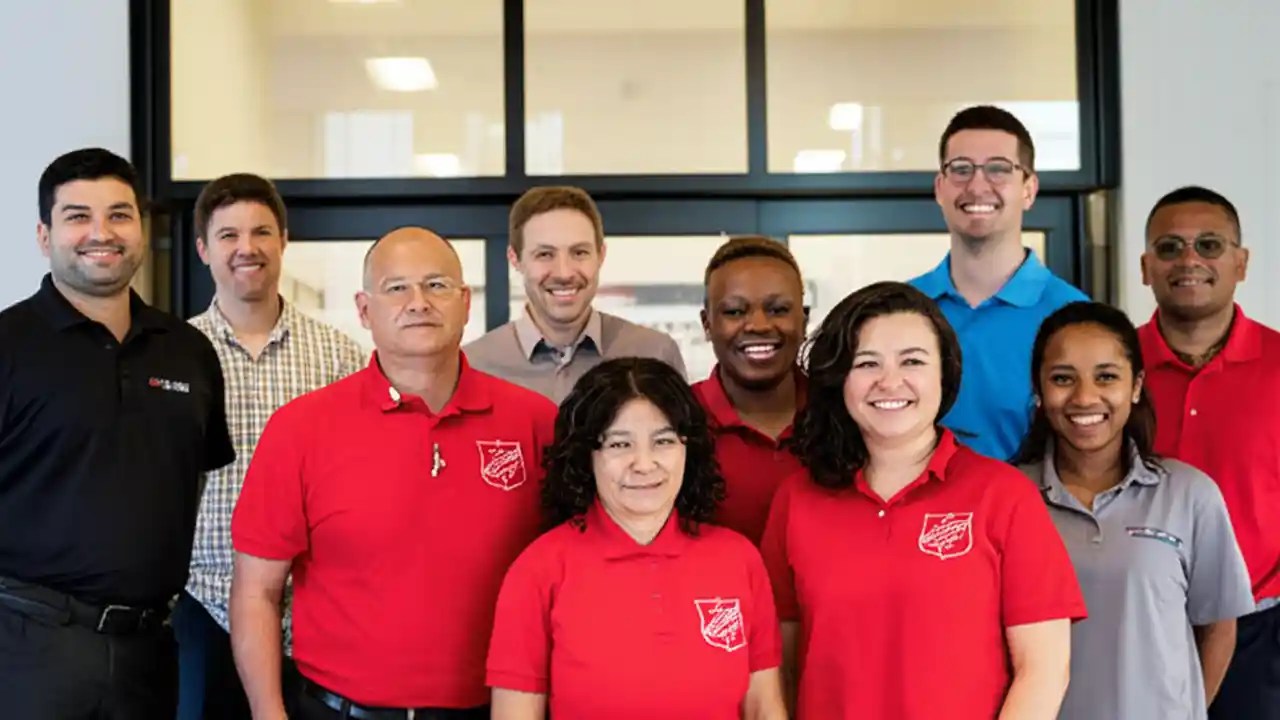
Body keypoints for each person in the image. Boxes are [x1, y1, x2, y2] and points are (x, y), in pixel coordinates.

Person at [230, 227, 557, 720]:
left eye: (436, 285)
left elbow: (570, 576)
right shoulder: (300, 429)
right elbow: (257, 590)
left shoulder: (534, 422)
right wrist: (268, 712)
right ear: (365, 310)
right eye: (397, 287)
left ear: (466, 303)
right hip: (337, 711)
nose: (418, 302)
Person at [760, 281, 1086, 719]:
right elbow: (776, 671)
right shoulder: (797, 501)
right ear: (840, 379)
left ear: (944, 373)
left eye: (912, 361)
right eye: (867, 363)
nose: (889, 382)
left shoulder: (1004, 496)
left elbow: (1043, 670)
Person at [0, 147, 235, 719]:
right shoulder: (9, 344)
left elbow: (190, 482)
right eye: (78, 216)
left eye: (119, 215)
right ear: (44, 235)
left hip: (150, 653)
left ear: (141, 230)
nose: (101, 232)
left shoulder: (189, 352)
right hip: (27, 648)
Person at [486, 357, 786, 720]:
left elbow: (764, 708)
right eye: (619, 445)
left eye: (663, 441)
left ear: (688, 448)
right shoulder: (539, 570)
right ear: (586, 456)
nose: (644, 464)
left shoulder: (739, 559)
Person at [175, 173, 366, 720]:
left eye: (261, 232)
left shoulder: (340, 356)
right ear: (203, 248)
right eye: (228, 235)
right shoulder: (175, 355)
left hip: (315, 608)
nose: (247, 248)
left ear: (283, 240)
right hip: (203, 604)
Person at [1012, 300, 1254, 720]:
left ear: (1136, 386)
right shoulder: (1006, 497)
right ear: (1039, 390)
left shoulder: (1189, 494)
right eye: (1063, 378)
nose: (1085, 397)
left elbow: (1218, 627)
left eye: (1106, 376)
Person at [1135, 185, 1280, 719]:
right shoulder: (1111, 372)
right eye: (1170, 247)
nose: (1189, 260)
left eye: (1210, 245)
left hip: (1261, 633)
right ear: (1146, 267)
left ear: (1241, 262)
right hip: (1138, 626)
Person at [909, 105, 1087, 461]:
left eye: (999, 169)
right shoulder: (901, 309)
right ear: (940, 188)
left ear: (1029, 189)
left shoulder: (1076, 317)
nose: (977, 186)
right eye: (961, 169)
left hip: (1030, 499)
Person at [465, 185, 686, 402]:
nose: (564, 273)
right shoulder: (472, 366)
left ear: (600, 255)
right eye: (545, 254)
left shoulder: (655, 354)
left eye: (579, 252)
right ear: (515, 259)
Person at [691, 235, 807, 545]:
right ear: (706, 324)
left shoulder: (846, 413)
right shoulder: (675, 420)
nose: (758, 325)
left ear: (804, 320)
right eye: (734, 312)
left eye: (778, 309)